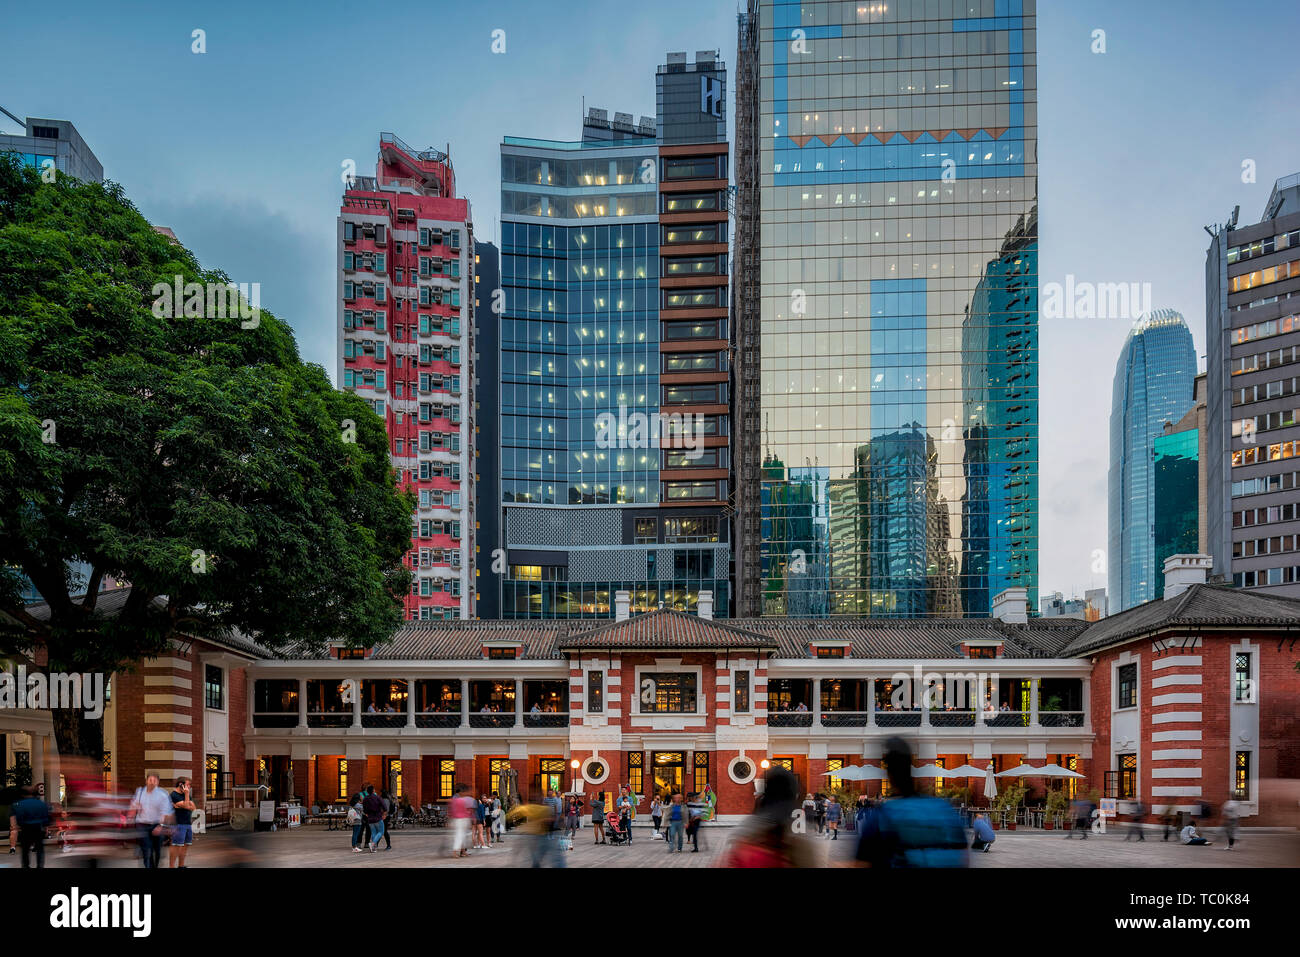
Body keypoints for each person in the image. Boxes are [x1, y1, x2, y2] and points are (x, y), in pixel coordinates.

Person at [855, 737, 968, 868]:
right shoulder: (943, 808)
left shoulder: (883, 815)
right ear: (911, 767)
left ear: (889, 774)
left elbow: (863, 863)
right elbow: (963, 856)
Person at [129, 773, 174, 868]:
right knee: (147, 850)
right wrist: (134, 809)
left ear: (158, 782)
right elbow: (133, 806)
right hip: (142, 824)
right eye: (150, 780)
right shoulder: (139, 791)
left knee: (157, 851)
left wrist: (160, 825)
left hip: (157, 824)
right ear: (146, 781)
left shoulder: (163, 794)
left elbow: (165, 812)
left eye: (154, 780)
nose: (152, 783)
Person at [10, 784, 50, 869]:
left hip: (26, 829)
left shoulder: (19, 804)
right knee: (40, 850)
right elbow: (46, 818)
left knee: (25, 850)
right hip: (38, 829)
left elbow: (16, 817)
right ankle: (40, 866)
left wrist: (17, 826)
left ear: (23, 794)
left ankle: (26, 865)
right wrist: (46, 828)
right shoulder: (41, 804)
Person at [168, 778, 196, 868]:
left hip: (187, 823)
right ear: (181, 784)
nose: (189, 787)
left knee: (185, 845)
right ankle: (171, 866)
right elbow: (188, 806)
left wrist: (184, 803)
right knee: (176, 846)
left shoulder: (185, 795)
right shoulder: (174, 795)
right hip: (177, 824)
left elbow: (193, 808)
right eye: (188, 785)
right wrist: (187, 797)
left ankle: (181, 865)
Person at [449, 785, 472, 858]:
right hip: (459, 819)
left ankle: (463, 852)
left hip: (461, 819)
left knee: (463, 836)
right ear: (461, 792)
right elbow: (455, 810)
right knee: (459, 836)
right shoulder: (457, 799)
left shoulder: (460, 799)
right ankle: (455, 852)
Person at [362, 785, 386, 853]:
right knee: (381, 832)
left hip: (370, 818)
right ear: (373, 790)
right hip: (378, 817)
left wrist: (367, 814)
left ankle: (373, 848)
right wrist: (384, 814)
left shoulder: (365, 799)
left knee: (373, 832)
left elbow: (364, 809)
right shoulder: (377, 797)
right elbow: (384, 806)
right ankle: (373, 844)